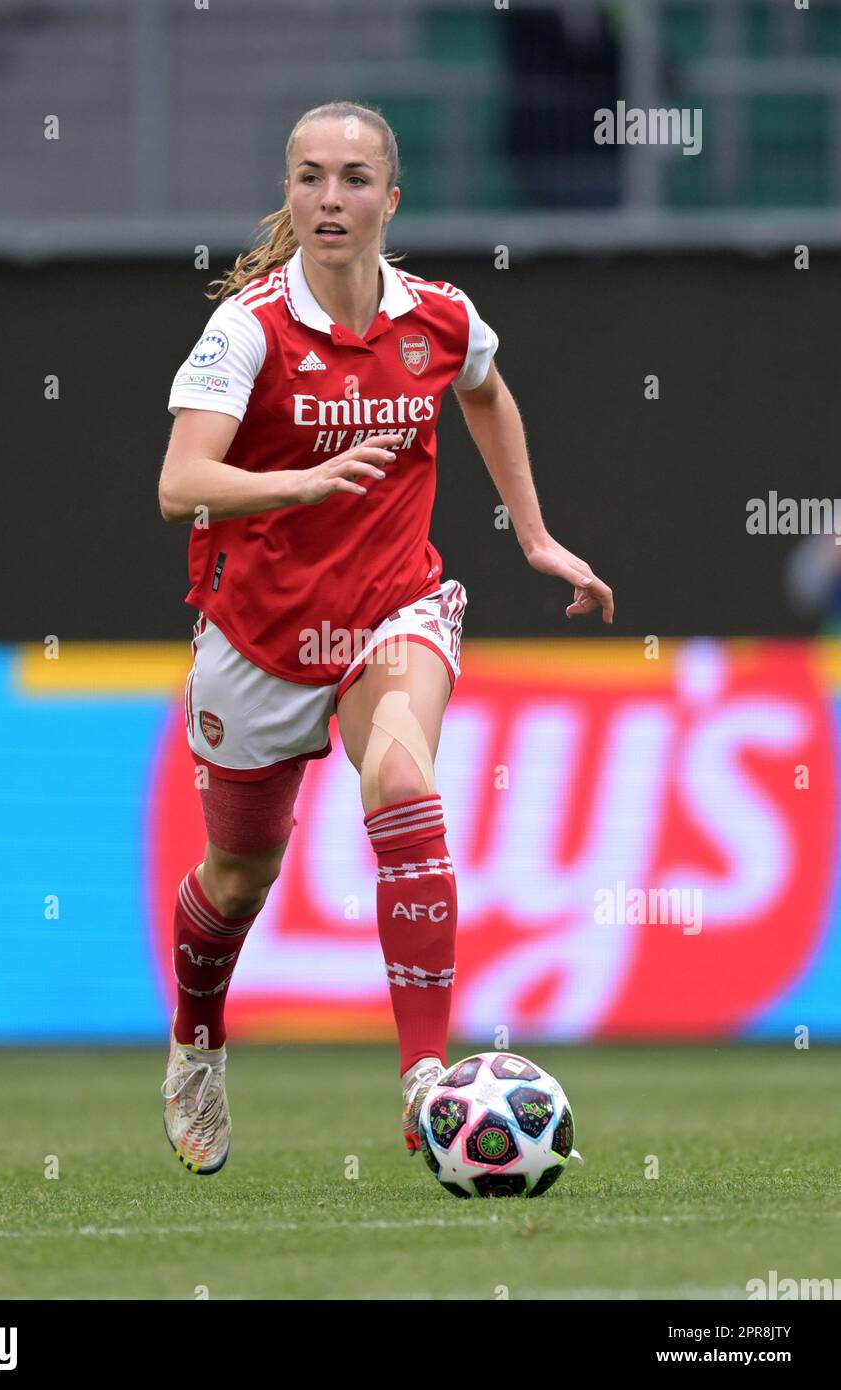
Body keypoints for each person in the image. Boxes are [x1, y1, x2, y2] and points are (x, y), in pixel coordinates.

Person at [157, 100, 613, 1175]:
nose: (330, 197)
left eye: (355, 178)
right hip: (260, 636)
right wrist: (302, 480)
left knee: (401, 770)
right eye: (310, 176)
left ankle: (423, 1078)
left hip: (390, 610)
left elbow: (488, 395)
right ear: (289, 193)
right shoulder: (249, 329)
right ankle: (197, 1037)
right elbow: (180, 483)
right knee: (238, 877)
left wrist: (537, 535)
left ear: (389, 199)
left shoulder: (440, 318)